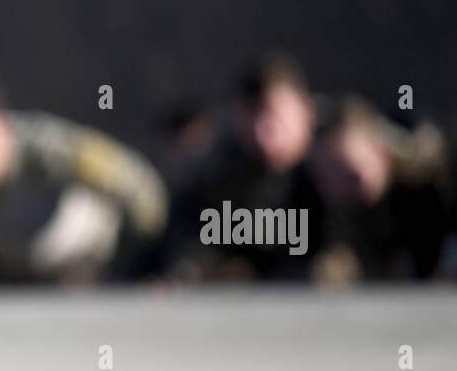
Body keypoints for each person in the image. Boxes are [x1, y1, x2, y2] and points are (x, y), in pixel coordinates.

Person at [0, 76, 168, 289]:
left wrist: (152, 260)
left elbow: (134, 181)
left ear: (1, 128)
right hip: (1, 279)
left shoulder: (48, 149)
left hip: (90, 268)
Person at [161, 54, 320, 281]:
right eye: (250, 118)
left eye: (273, 116)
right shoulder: (217, 179)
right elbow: (188, 248)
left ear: (305, 111)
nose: (260, 133)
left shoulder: (338, 172)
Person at [306, 95, 455, 282]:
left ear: (380, 153)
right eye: (326, 179)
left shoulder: (429, 197)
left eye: (351, 174)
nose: (339, 189)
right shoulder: (317, 210)